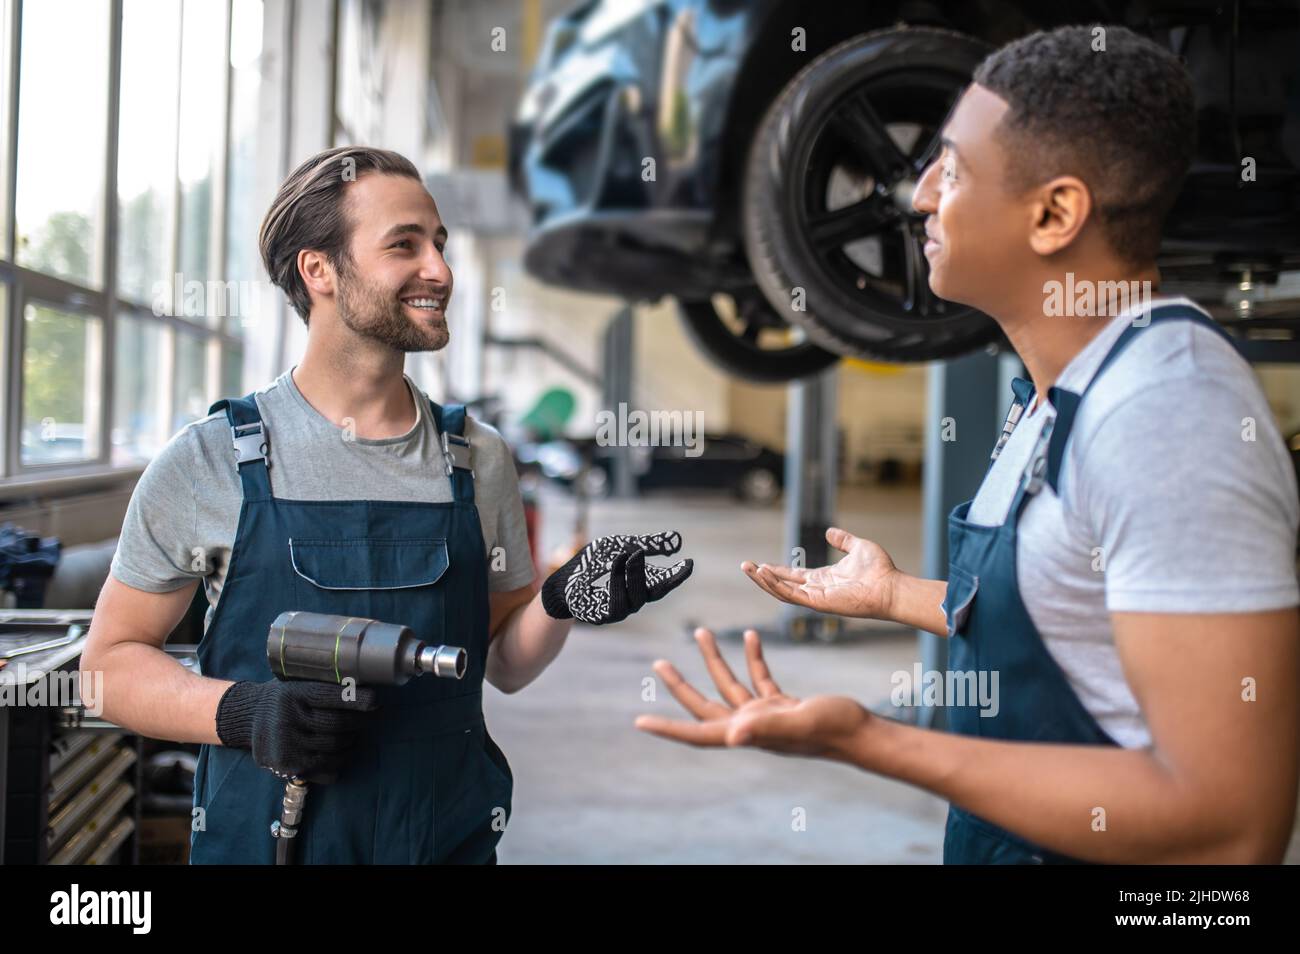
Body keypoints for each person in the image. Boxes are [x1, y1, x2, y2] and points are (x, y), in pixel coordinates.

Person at [636, 25, 1300, 864]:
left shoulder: (1167, 415)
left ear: (1055, 214)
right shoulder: (1054, 396)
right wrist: (896, 596)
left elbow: (1231, 823)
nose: (915, 195)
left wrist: (867, 740)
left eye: (950, 168)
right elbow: (1076, 612)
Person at [81, 146, 692, 864]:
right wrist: (244, 713)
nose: (440, 270)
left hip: (442, 839)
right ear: (320, 271)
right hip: (266, 842)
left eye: (439, 244)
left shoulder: (476, 457)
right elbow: (108, 669)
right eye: (405, 245)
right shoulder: (212, 459)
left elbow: (505, 664)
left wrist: (560, 601)